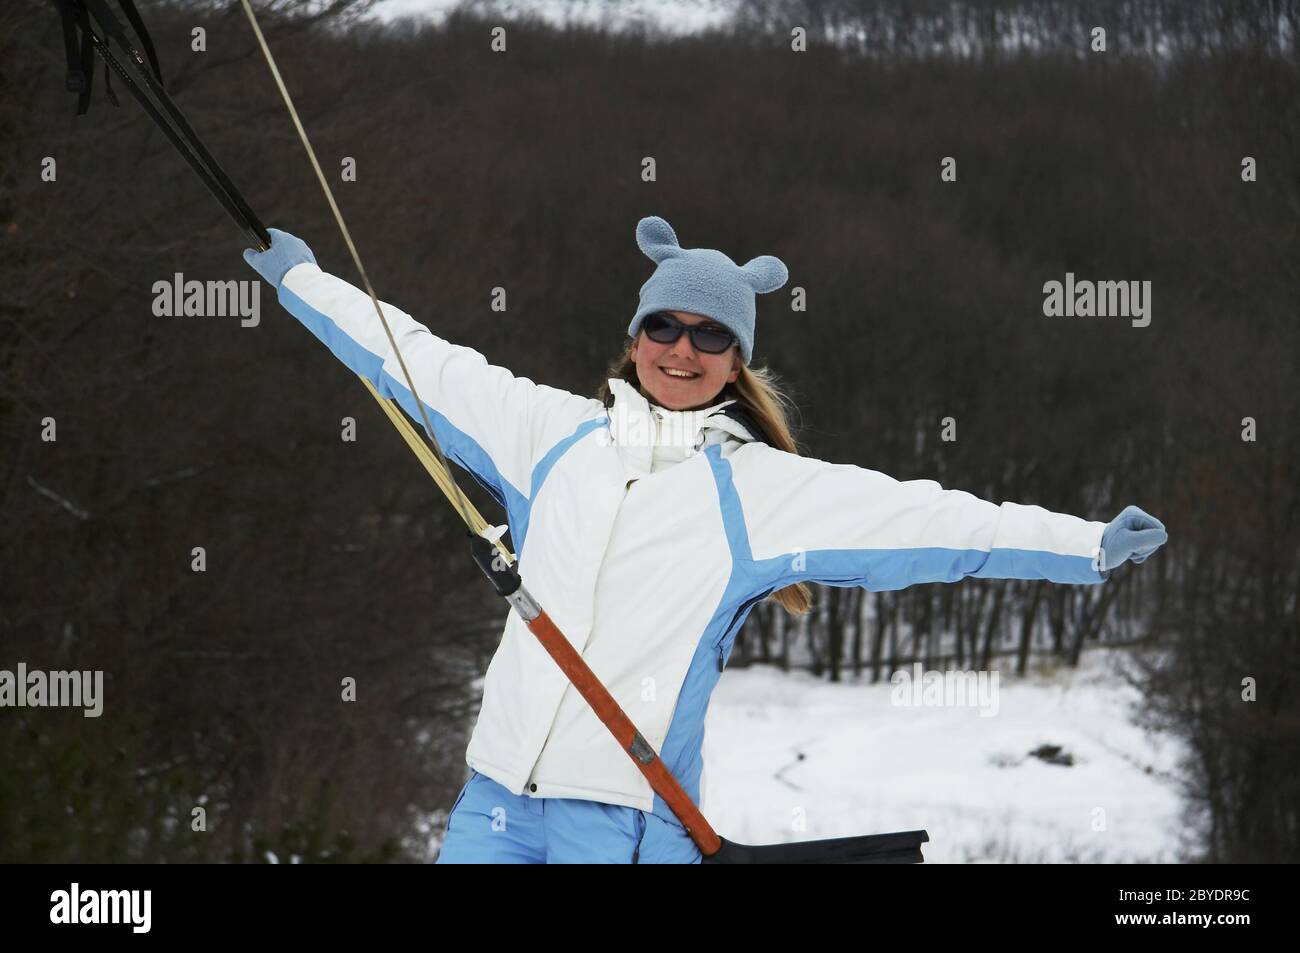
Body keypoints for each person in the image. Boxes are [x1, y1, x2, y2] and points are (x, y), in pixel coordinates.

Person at [243, 214, 1168, 864]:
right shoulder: (549, 438)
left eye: (711, 335)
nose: (682, 349)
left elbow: (933, 519)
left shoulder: (757, 494)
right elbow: (417, 361)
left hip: (625, 825)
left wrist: (1083, 543)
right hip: (493, 798)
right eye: (666, 324)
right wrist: (301, 280)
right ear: (635, 332)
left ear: (737, 359)